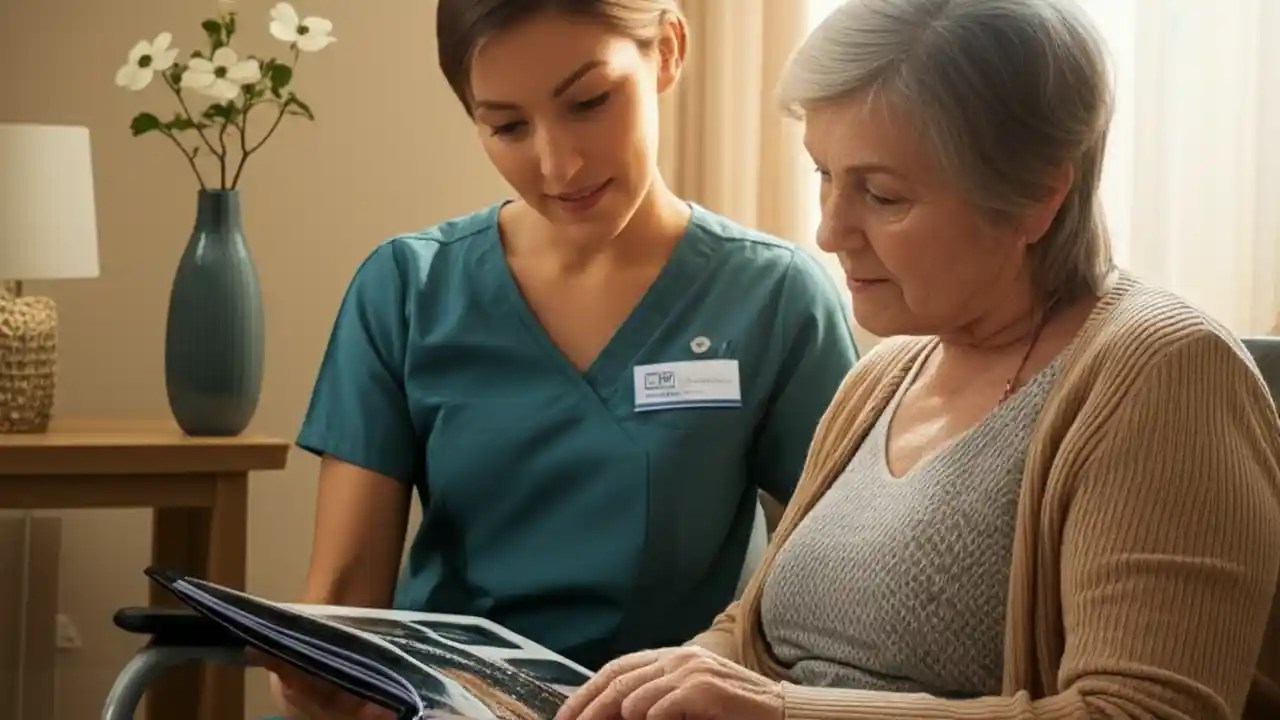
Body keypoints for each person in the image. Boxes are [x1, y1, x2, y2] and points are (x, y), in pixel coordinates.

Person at [555, 0, 1280, 719]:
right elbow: (756, 635)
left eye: (883, 195)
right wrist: (673, 677)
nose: (830, 230)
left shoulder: (1168, 373)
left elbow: (1141, 711)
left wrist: (783, 713)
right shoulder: (885, 375)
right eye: (825, 177)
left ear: (1037, 197)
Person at [264, 0, 859, 717]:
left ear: (667, 51)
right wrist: (313, 674)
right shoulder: (407, 290)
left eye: (589, 103)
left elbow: (840, 594)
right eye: (508, 126)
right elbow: (343, 593)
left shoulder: (773, 298)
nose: (558, 163)